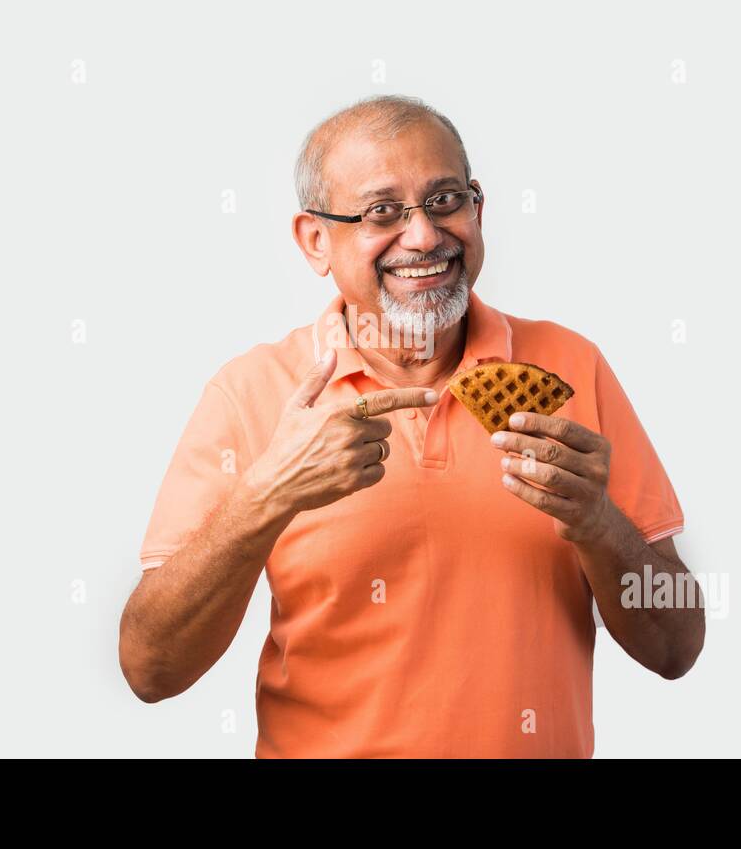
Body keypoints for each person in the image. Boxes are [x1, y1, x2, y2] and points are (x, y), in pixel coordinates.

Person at [119, 94, 704, 758]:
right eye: (382, 212)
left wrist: (599, 522)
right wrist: (267, 495)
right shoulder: (250, 394)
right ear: (316, 241)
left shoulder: (571, 369)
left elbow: (676, 648)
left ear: (478, 209)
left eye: (445, 199)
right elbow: (150, 669)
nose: (424, 236)